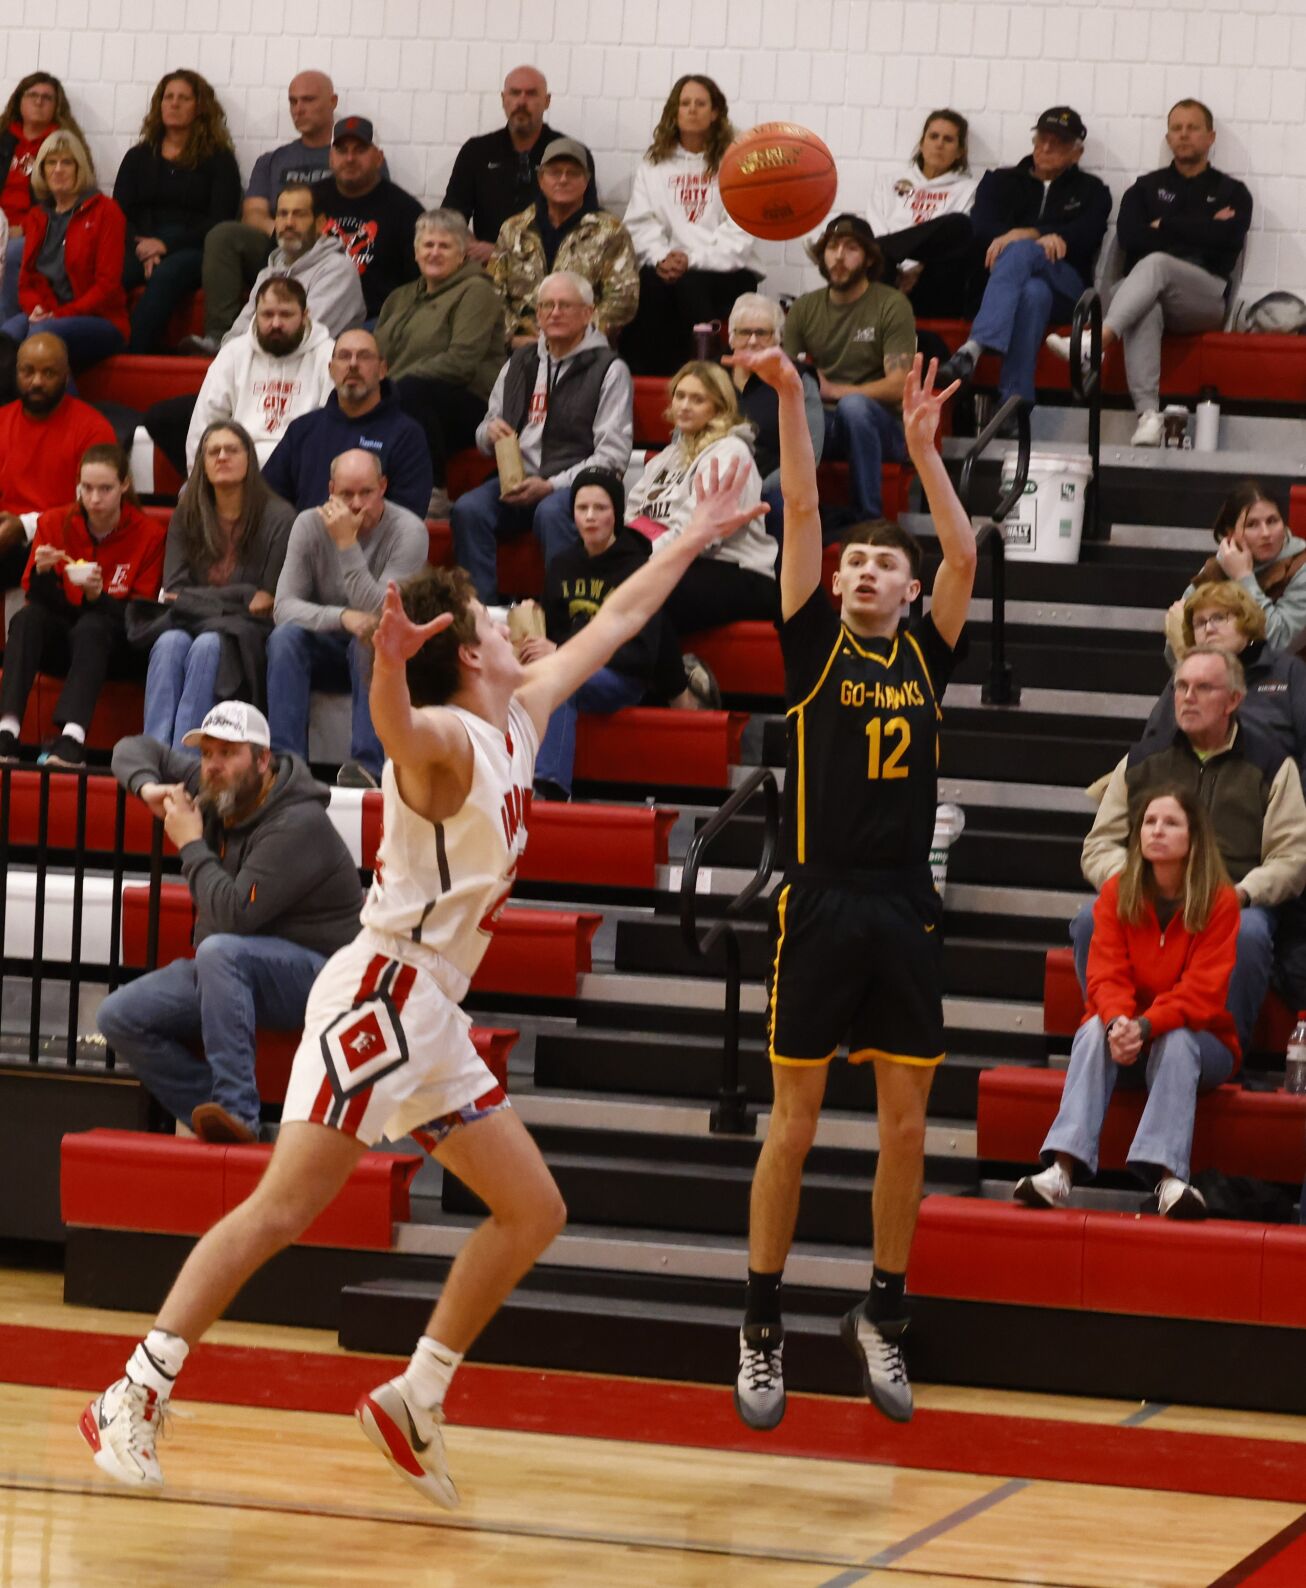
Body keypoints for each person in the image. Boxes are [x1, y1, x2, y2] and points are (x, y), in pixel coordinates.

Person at [80, 451, 764, 1504]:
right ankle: (131, 1391)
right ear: (466, 651)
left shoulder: (519, 709)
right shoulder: (444, 737)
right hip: (380, 995)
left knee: (531, 1209)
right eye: (491, 615)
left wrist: (691, 535)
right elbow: (396, 730)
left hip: (430, 1008)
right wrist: (387, 667)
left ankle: (415, 1395)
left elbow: (620, 618)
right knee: (279, 1209)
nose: (509, 621)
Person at [728, 349, 976, 1431]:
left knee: (907, 1126)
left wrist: (923, 452)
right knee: (795, 1120)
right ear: (834, 585)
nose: (867, 572)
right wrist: (793, 399)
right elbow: (794, 504)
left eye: (886, 566)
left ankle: (880, 1308)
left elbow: (964, 549)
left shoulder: (925, 655)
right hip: (821, 899)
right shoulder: (813, 649)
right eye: (856, 564)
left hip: (904, 902)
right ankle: (763, 1318)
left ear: (908, 590)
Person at [97, 701, 363, 1144]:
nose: (213, 766)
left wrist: (191, 844)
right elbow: (131, 747)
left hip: (324, 977)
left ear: (262, 760)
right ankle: (221, 1118)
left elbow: (233, 919)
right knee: (119, 1016)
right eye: (207, 754)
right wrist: (146, 788)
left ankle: (237, 1108)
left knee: (219, 952)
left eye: (228, 753)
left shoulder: (298, 822)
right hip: (239, 970)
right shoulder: (221, 787)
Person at [1017, 788, 1240, 1219]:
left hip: (1202, 1042)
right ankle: (1061, 1169)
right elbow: (1104, 974)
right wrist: (1120, 1021)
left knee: (1176, 1040)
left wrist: (1146, 1025)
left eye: (1171, 823)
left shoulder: (1219, 901)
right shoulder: (1119, 891)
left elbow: (1202, 992)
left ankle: (1170, 1178)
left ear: (1195, 837)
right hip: (1129, 1039)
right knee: (1091, 1029)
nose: (1157, 830)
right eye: (1149, 822)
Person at [1076, 646, 1306, 1053]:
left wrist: (1242, 892)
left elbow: (1292, 857)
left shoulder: (1272, 764)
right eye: (1181, 686)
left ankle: (1219, 1053)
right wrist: (1131, 885)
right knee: (1088, 920)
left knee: (1249, 932)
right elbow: (1099, 844)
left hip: (1231, 896)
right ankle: (1113, 1036)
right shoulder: (1142, 759)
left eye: (1203, 688)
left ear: (1234, 700)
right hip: (1148, 896)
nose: (1187, 697)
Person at [1047, 100, 1252, 447]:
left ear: (1210, 136)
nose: (1183, 135)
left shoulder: (1232, 192)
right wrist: (1202, 227)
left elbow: (1228, 237)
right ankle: (1148, 416)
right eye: (1176, 128)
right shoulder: (1144, 188)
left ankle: (1097, 340)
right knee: (1148, 302)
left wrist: (1166, 224)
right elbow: (1131, 236)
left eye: (1193, 128)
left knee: (1156, 262)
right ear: (1168, 137)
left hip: (1203, 298)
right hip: (1146, 292)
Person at [451, 271, 633, 604]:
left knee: (550, 512)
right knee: (468, 509)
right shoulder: (519, 361)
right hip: (515, 480)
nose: (554, 313)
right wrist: (489, 434)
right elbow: (485, 428)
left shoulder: (609, 368)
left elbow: (613, 456)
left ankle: (562, 614)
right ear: (537, 315)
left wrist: (552, 484)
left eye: (565, 305)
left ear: (588, 313)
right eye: (546, 306)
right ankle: (482, 617)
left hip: (571, 485)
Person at [268, 447, 428, 787]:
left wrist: (346, 544)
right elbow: (283, 608)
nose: (356, 504)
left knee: (373, 636)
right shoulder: (309, 525)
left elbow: (384, 613)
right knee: (284, 639)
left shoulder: (408, 531)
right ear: (330, 491)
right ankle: (286, 767)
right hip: (328, 642)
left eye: (366, 492)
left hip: (388, 654)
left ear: (383, 486)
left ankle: (366, 767)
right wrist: (342, 617)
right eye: (345, 494)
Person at [0, 442, 165, 767]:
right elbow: (38, 599)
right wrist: (43, 573)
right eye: (86, 488)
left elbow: (140, 618)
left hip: (117, 647)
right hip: (64, 640)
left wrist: (97, 597)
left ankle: (72, 739)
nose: (94, 498)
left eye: (105, 489)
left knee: (93, 626)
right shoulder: (53, 523)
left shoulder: (149, 534)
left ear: (125, 485)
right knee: (27, 617)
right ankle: (6, 731)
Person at [939, 108, 1111, 421]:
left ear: (1077, 153)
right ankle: (1014, 407)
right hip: (1009, 288)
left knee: (1020, 250)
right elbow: (980, 229)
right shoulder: (1000, 181)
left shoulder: (1092, 191)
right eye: (1042, 140)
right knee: (1033, 293)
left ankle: (973, 349)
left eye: (1058, 143)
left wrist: (1027, 234)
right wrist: (1041, 237)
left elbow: (1085, 236)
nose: (1046, 148)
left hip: (1067, 287)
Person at [143, 421, 296, 751]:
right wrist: (241, 594)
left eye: (231, 450)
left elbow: (265, 602)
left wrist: (200, 600)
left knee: (208, 644)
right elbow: (173, 591)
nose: (222, 457)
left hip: (246, 632)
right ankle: (153, 753)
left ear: (249, 460)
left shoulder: (280, 517)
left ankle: (186, 759)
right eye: (213, 451)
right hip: (188, 621)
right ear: (202, 463)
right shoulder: (187, 514)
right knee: (169, 643)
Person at [528, 468, 664, 800]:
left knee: (561, 681)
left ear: (616, 514)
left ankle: (549, 789)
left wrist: (562, 652)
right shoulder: (562, 564)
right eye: (581, 508)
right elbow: (553, 631)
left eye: (600, 509)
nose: (589, 517)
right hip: (572, 666)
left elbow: (644, 655)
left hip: (623, 676)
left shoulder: (639, 569)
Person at [182, 71, 339, 352]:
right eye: (293, 101)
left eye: (308, 100)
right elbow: (253, 213)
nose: (298, 109)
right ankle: (219, 336)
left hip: (331, 250)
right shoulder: (272, 160)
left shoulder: (350, 156)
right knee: (224, 234)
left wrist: (310, 234)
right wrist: (288, 229)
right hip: (277, 247)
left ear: (332, 102)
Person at [625, 361, 775, 653]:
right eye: (680, 396)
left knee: (644, 593)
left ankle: (679, 692)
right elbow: (634, 513)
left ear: (719, 407)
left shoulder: (731, 452)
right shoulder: (666, 457)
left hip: (736, 570)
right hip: (677, 561)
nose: (684, 405)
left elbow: (703, 533)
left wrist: (640, 560)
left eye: (697, 399)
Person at [620, 75, 760, 375]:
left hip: (723, 272)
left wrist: (690, 259)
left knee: (687, 284)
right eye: (685, 103)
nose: (692, 110)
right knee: (646, 286)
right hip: (669, 268)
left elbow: (740, 231)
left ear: (715, 113)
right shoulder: (655, 163)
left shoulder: (736, 163)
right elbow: (640, 223)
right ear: (674, 112)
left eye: (700, 103)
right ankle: (643, 379)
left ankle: (711, 370)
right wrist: (661, 257)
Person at [782, 213, 916, 522]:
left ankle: (868, 519)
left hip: (884, 428)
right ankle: (787, 518)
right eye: (832, 247)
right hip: (827, 424)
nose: (839, 257)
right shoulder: (804, 308)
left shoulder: (891, 304)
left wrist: (836, 391)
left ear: (869, 258)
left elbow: (899, 385)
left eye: (851, 248)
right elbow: (788, 374)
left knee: (854, 407)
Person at [375, 209, 506, 518]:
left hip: (467, 402)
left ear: (462, 253)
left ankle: (433, 492)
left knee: (411, 392)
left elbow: (461, 361)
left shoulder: (478, 292)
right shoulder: (399, 297)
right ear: (416, 251)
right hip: (404, 396)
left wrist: (389, 386)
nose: (434, 252)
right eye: (428, 244)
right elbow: (375, 353)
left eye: (444, 246)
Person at [145, 277, 333, 480]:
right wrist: (197, 481)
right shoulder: (234, 353)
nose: (276, 323)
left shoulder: (329, 355)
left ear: (305, 316)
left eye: (286, 314)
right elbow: (205, 423)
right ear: (256, 314)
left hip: (301, 471)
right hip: (239, 472)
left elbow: (332, 430)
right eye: (267, 315)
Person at [112, 71, 241, 354]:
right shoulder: (139, 156)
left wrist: (166, 246)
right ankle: (100, 341)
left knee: (167, 274)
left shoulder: (219, 159)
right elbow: (119, 211)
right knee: (114, 274)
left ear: (199, 107)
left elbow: (221, 219)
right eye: (168, 97)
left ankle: (131, 352)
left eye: (184, 98)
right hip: (139, 242)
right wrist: (144, 246)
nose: (174, 104)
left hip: (193, 246)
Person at [261, 328, 432, 519]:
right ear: (331, 369)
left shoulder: (406, 435)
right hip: (306, 543)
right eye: (344, 356)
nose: (353, 364)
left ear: (382, 369)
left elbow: (407, 519)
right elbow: (268, 500)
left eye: (364, 356)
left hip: (372, 547)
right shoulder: (302, 429)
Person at [1145, 582, 1306, 776]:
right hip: (1197, 793)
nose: (1209, 629)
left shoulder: (1288, 671)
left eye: (1219, 618)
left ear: (1246, 621)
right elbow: (1152, 745)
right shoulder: (1186, 679)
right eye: (1199, 622)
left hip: (1274, 792)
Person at [491, 138, 639, 348]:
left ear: (586, 181)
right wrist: (513, 336)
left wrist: (570, 336)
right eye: (554, 172)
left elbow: (623, 299)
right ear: (541, 179)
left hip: (585, 347)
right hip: (519, 347)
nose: (563, 179)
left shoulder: (611, 232)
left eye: (573, 173)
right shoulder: (513, 229)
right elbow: (492, 292)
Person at [441, 65, 596, 263]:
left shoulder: (572, 156)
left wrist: (504, 254)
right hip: (486, 271)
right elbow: (451, 217)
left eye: (531, 94)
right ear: (503, 99)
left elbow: (589, 224)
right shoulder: (476, 151)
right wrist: (470, 245)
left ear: (547, 101)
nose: (522, 102)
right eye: (515, 93)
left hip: (553, 269)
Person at [0, 129, 128, 369]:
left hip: (99, 320)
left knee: (42, 339)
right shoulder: (37, 216)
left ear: (80, 168)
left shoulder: (106, 212)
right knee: (5, 339)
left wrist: (60, 314)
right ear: (42, 170)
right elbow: (26, 282)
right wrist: (36, 309)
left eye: (67, 162)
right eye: (51, 162)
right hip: (48, 316)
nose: (58, 169)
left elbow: (107, 286)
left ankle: (68, 408)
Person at [0, 332, 114, 586]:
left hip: (64, 543)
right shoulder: (2, 420)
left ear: (66, 375)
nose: (36, 382)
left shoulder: (93, 429)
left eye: (48, 373)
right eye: (27, 372)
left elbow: (93, 507)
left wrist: (25, 526)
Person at [726, 292, 824, 544]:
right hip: (711, 483)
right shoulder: (710, 376)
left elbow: (809, 453)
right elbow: (682, 438)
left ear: (778, 338)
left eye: (763, 333)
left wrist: (755, 490)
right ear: (731, 337)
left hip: (771, 488)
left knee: (785, 505)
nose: (752, 340)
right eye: (743, 332)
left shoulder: (797, 379)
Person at [1167, 481, 1306, 656]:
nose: (1266, 533)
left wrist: (1243, 577)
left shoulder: (1301, 566)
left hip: (1280, 679)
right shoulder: (1219, 567)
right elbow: (1173, 647)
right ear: (1230, 534)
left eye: (1272, 521)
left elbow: (1280, 643)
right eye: (1252, 525)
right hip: (1217, 675)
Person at [865, 108, 978, 319]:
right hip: (887, 271)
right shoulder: (888, 182)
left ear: (960, 151)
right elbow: (876, 228)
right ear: (922, 143)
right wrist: (900, 268)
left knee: (959, 224)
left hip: (931, 277)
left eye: (948, 139)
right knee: (857, 233)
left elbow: (955, 242)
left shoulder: (970, 189)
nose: (939, 144)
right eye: (933, 136)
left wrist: (916, 270)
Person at [219, 182, 365, 345]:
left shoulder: (338, 270)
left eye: (299, 214)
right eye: (282, 214)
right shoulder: (267, 273)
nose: (288, 223)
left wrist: (240, 351)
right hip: (263, 364)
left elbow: (300, 336)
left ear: (320, 223)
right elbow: (235, 335)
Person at [311, 117, 423, 322]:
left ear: (379, 158)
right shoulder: (308, 201)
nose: (350, 158)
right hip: (313, 315)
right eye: (342, 150)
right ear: (330, 158)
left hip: (376, 321)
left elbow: (419, 285)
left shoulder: (406, 211)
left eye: (360, 150)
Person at [1, 73, 90, 320]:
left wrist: (23, 228)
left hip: (38, 231)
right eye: (33, 95)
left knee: (14, 251)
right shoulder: (3, 137)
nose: (39, 102)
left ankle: (4, 331)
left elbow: (68, 199)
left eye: (47, 98)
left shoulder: (64, 145)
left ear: (56, 106)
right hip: (1, 224)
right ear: (19, 100)